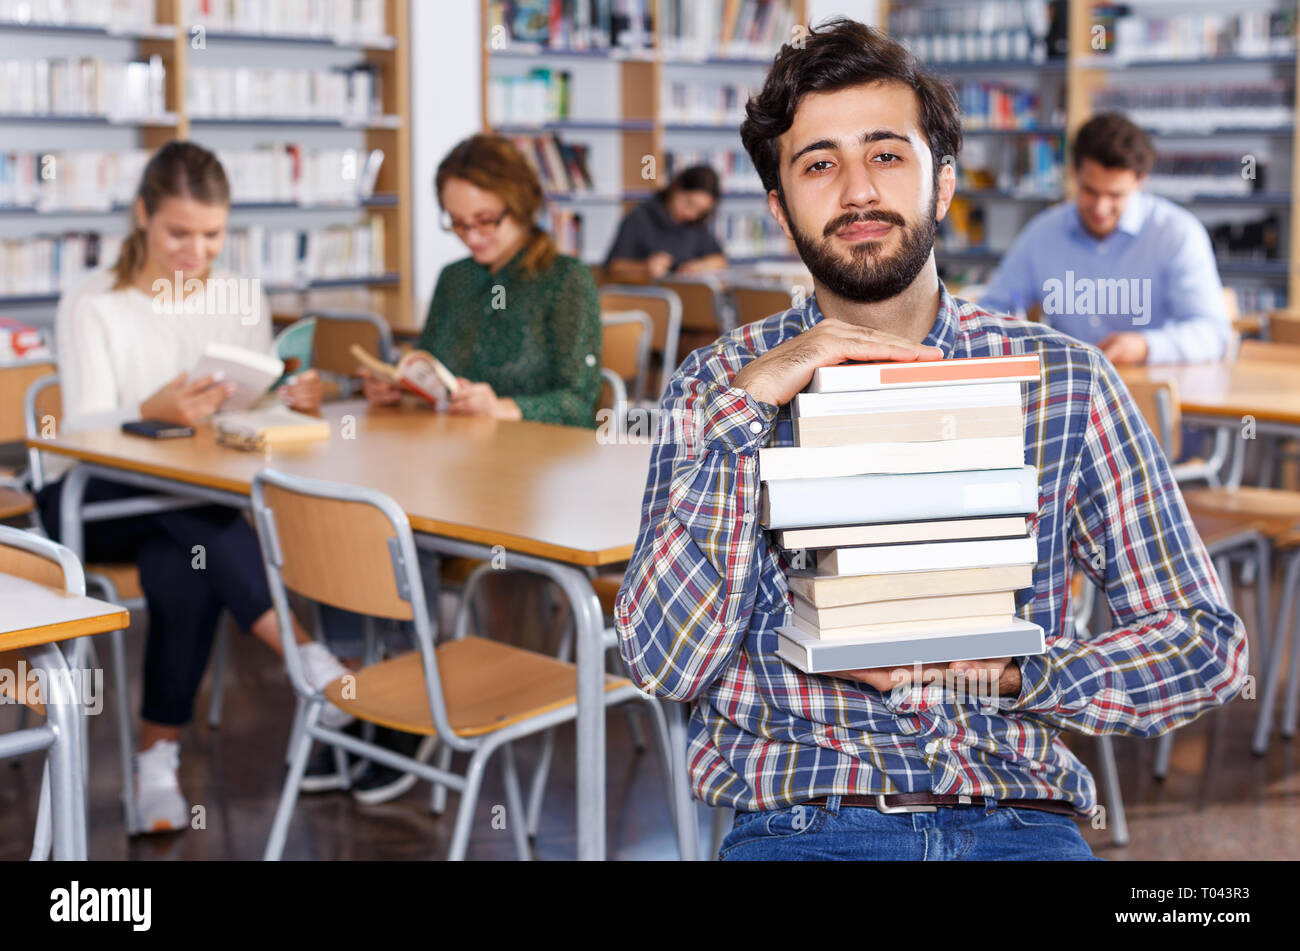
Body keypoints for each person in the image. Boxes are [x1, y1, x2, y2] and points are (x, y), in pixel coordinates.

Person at [614, 19, 1246, 861]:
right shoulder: (717, 385)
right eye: (818, 164)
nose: (856, 192)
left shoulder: (1063, 380)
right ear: (779, 207)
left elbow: (1205, 643)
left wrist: (1016, 675)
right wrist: (754, 401)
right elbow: (665, 664)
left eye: (886, 154)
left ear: (942, 182)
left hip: (1016, 813)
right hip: (806, 817)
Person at [37, 141, 352, 834]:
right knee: (199, 521)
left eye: (212, 235)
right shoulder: (94, 299)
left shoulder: (238, 293)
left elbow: (246, 411)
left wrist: (284, 398)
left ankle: (159, 763)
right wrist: (148, 411)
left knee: (187, 561)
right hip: (90, 496)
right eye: (179, 233)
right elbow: (79, 426)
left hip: (188, 503)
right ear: (143, 215)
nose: (196, 251)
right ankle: (313, 663)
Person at [361, 133, 600, 429]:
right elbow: (430, 369)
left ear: (521, 204)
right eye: (458, 223)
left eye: (485, 220)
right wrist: (400, 388)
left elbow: (578, 402)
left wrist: (503, 407)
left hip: (537, 463)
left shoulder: (566, 279)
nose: (471, 236)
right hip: (456, 448)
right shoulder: (454, 277)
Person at [977, 113, 1232, 365]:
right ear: (1075, 173)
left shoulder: (1177, 234)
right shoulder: (1042, 234)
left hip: (1149, 389)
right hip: (1071, 390)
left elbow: (1213, 333)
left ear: (1140, 181)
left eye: (1115, 194)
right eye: (1090, 191)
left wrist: (1145, 346)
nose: (1100, 208)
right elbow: (991, 311)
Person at [605, 164, 728, 282]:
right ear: (676, 188)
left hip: (683, 296)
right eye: (689, 203)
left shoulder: (695, 223)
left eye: (701, 211)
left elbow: (719, 259)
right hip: (647, 297)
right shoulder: (640, 217)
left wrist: (700, 266)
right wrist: (644, 268)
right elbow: (614, 268)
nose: (691, 214)